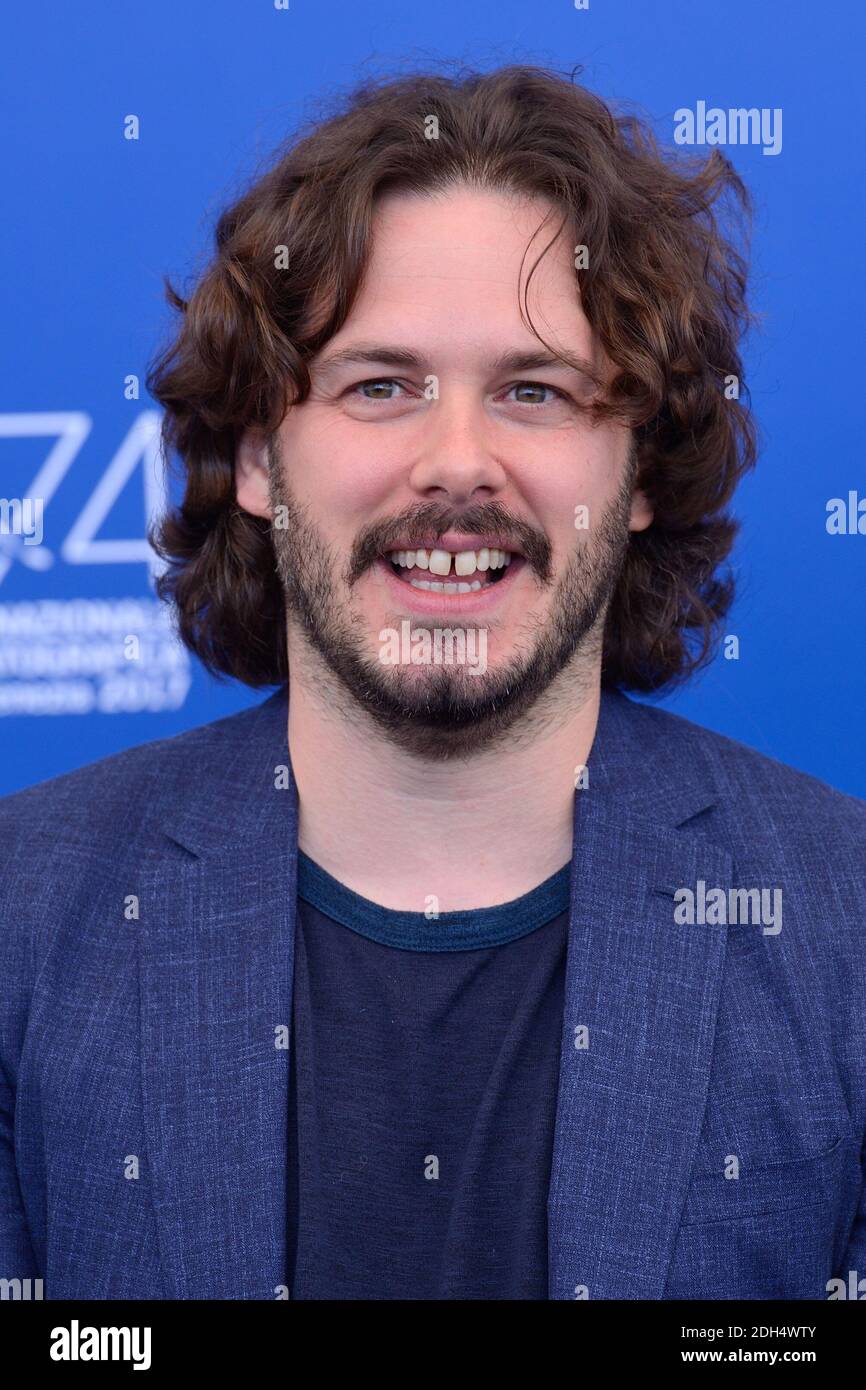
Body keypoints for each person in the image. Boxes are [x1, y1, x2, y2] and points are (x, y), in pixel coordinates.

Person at [1, 65, 864, 1301]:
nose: (455, 463)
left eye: (533, 391)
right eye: (379, 386)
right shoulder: (20, 923)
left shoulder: (843, 932)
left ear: (637, 479)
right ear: (258, 457)